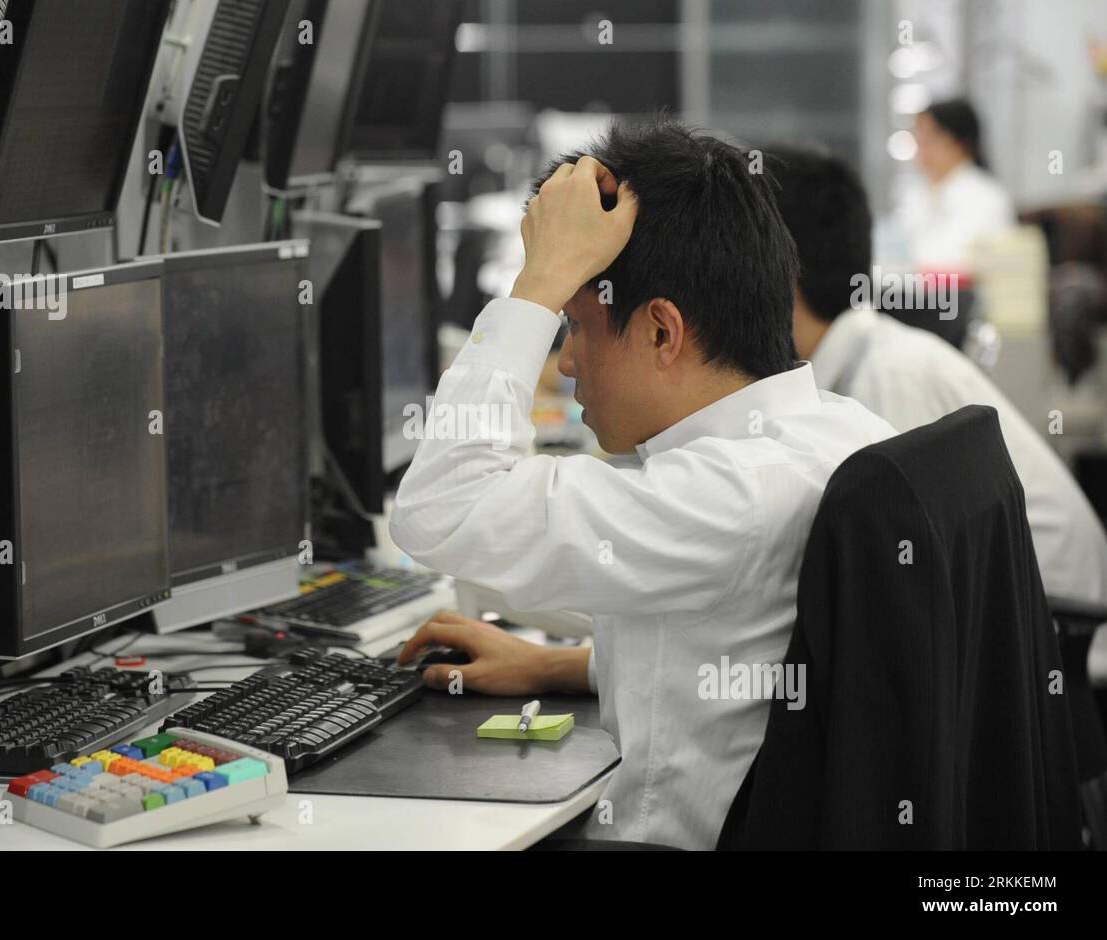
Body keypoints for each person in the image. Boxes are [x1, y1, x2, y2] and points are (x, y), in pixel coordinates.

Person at [387, 116, 896, 848]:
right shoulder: (838, 430)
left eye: (575, 327)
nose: (564, 362)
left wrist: (532, 289)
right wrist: (561, 667)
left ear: (662, 331)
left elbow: (440, 506)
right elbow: (729, 658)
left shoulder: (722, 495)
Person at [767, 144, 1107, 607]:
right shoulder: (866, 358)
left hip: (1059, 629)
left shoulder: (885, 378)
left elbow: (897, 579)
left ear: (782, 276)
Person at [898, 98, 1014, 269]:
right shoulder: (918, 194)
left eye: (929, 139)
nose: (921, 149)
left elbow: (956, 261)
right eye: (918, 138)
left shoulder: (986, 197)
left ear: (959, 143)